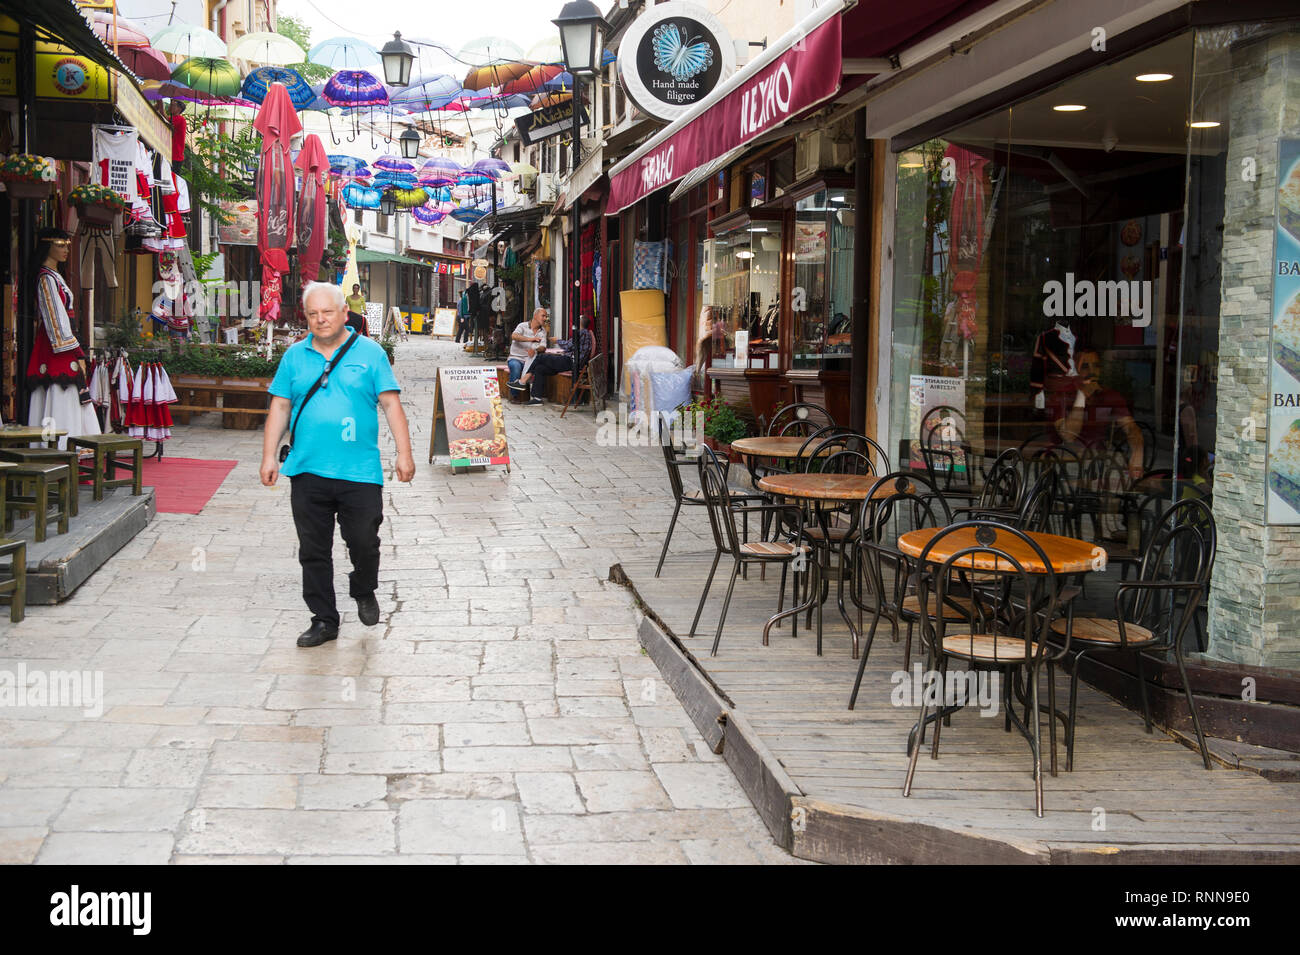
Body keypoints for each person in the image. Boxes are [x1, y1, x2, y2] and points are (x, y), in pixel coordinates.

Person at [260, 282, 415, 648]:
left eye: (327, 312)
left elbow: (391, 405)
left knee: (364, 541)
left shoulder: (371, 353)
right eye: (313, 314)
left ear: (345, 313)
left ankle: (363, 588)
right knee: (312, 549)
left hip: (359, 471)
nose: (320, 319)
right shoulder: (294, 357)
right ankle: (324, 619)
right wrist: (269, 455)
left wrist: (403, 453)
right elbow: (280, 407)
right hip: (307, 468)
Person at [28, 228, 100, 447]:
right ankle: (58, 448)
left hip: (62, 342)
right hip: (56, 345)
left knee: (66, 394)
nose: (66, 249)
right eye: (60, 244)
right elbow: (55, 320)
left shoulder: (55, 277)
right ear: (47, 246)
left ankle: (68, 447)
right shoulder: (46, 279)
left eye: (67, 245)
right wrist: (77, 352)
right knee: (60, 391)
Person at [519, 316, 594, 407]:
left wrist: (557, 341)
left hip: (571, 362)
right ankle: (537, 398)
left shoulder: (581, 332)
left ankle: (523, 381)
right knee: (540, 368)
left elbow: (568, 345)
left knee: (541, 357)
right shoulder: (584, 333)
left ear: (580, 323)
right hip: (571, 360)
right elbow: (573, 347)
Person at [508, 307, 548, 393]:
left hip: (530, 359)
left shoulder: (543, 331)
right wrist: (531, 339)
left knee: (540, 367)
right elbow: (514, 336)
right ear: (535, 316)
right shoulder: (522, 326)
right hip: (516, 358)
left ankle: (531, 393)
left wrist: (535, 350)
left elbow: (543, 347)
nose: (545, 319)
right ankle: (514, 396)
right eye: (543, 316)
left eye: (546, 316)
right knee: (516, 367)